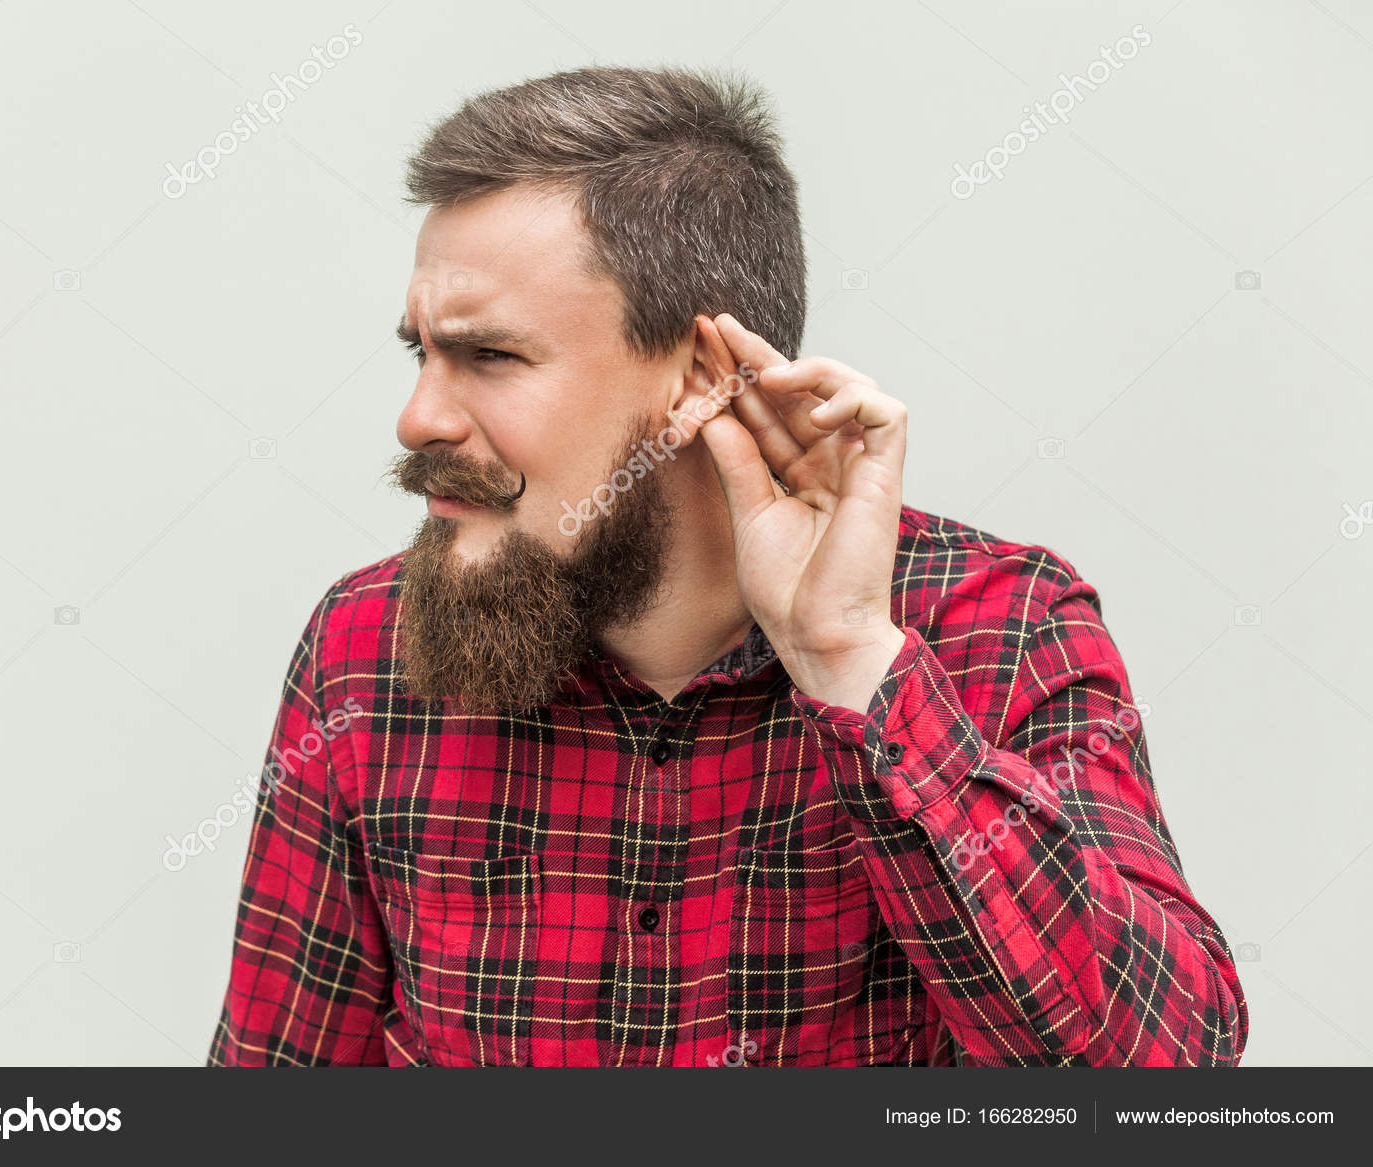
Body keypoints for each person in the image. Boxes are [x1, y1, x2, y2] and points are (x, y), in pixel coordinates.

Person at [207, 65, 1247, 1066]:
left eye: (490, 356)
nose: (418, 418)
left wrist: (850, 662)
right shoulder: (365, 647)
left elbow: (1164, 1070)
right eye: (421, 354)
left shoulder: (999, 625)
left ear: (702, 375)